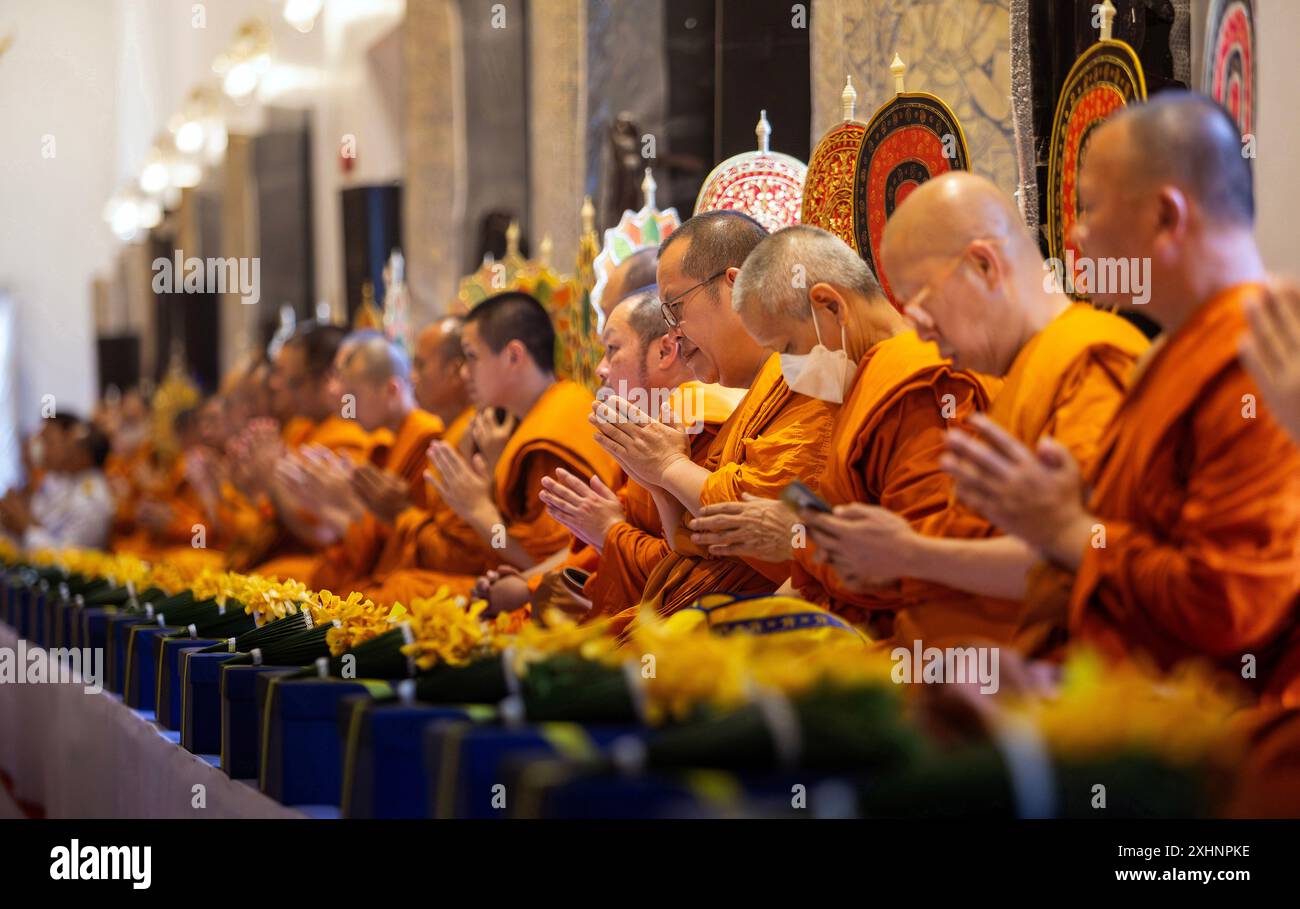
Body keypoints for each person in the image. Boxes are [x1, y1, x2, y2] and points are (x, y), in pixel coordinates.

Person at [940, 92, 1300, 704]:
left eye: (1090, 207)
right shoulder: (1169, 353)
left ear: (1166, 217)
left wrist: (1068, 527)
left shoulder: (1261, 363)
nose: (1076, 232)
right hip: (1112, 690)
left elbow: (1226, 605)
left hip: (1213, 741)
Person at [797, 171, 1148, 651]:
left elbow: (1079, 559)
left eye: (922, 303)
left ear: (984, 265)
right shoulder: (1022, 371)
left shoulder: (1090, 360)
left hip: (1023, 692)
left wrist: (912, 554)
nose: (920, 332)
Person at [683, 224, 991, 625]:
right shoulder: (859, 384)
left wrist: (801, 540)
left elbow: (931, 564)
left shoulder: (916, 385)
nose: (786, 370)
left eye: (786, 348)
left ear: (829, 305)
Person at [591, 211, 838, 626]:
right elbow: (693, 542)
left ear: (738, 286)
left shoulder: (813, 380)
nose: (675, 332)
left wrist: (669, 467)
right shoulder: (757, 392)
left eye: (675, 308)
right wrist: (660, 480)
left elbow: (780, 546)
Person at [479, 287, 741, 616]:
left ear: (665, 351)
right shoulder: (642, 431)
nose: (600, 369)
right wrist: (528, 583)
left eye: (612, 349)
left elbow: (693, 566)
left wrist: (609, 531)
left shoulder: (701, 422)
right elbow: (596, 549)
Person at [352, 292, 620, 604]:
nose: (465, 373)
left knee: (393, 595)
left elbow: (567, 568)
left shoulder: (551, 435)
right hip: (514, 584)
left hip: (568, 601)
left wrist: (479, 509)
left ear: (513, 357)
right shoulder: (522, 423)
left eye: (472, 357)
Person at [0, 414, 113, 550]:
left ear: (76, 445)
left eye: (48, 441)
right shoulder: (56, 480)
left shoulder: (93, 497)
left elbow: (66, 559)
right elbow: (41, 525)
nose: (40, 449)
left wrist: (24, 526)